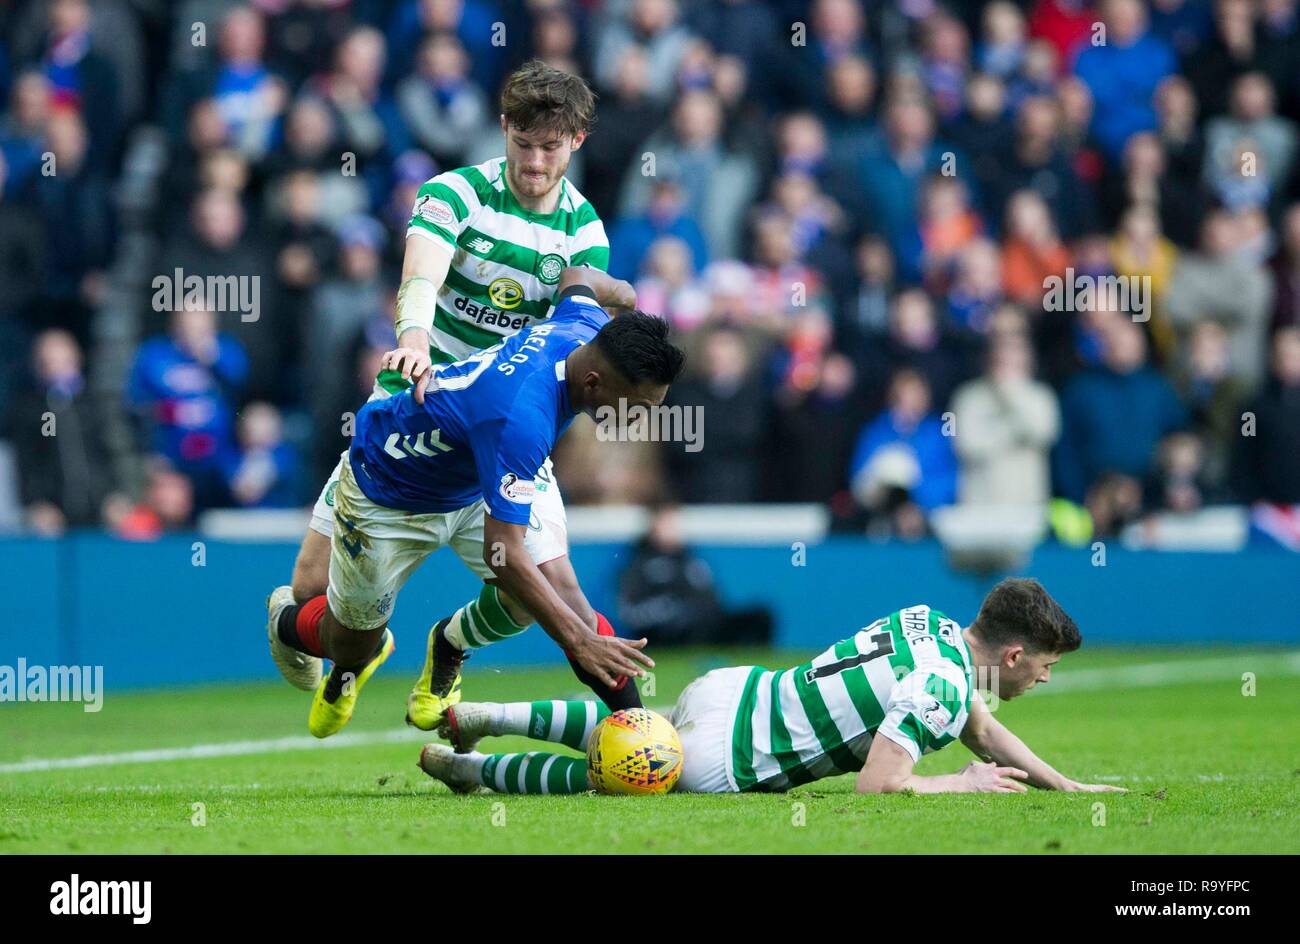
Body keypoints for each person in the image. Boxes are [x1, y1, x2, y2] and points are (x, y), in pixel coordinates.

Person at [268, 60, 639, 726]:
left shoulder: (584, 234)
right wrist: (412, 337)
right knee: (312, 595)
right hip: (417, 416)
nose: (533, 161)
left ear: (577, 141)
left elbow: (576, 333)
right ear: (503, 129)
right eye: (522, 143)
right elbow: (421, 278)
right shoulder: (453, 195)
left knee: (548, 590)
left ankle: (453, 645)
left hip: (502, 431)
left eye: (549, 147)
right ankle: (346, 652)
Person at [268, 268, 686, 738]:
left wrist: (627, 295)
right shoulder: (521, 419)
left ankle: (452, 646)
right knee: (349, 646)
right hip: (390, 489)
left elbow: (576, 277)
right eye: (640, 406)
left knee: (554, 594)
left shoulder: (585, 327)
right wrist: (577, 642)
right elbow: (502, 554)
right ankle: (289, 623)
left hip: (479, 470)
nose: (644, 418)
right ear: (593, 384)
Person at [418, 577, 1125, 797]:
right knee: (611, 778)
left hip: (730, 690)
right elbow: (878, 786)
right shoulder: (940, 686)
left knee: (633, 731)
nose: (1045, 676)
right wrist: (959, 786)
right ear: (1012, 652)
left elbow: (983, 728)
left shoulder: (932, 625)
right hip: (729, 760)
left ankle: (485, 712)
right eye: (1046, 663)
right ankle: (472, 769)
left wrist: (1064, 785)